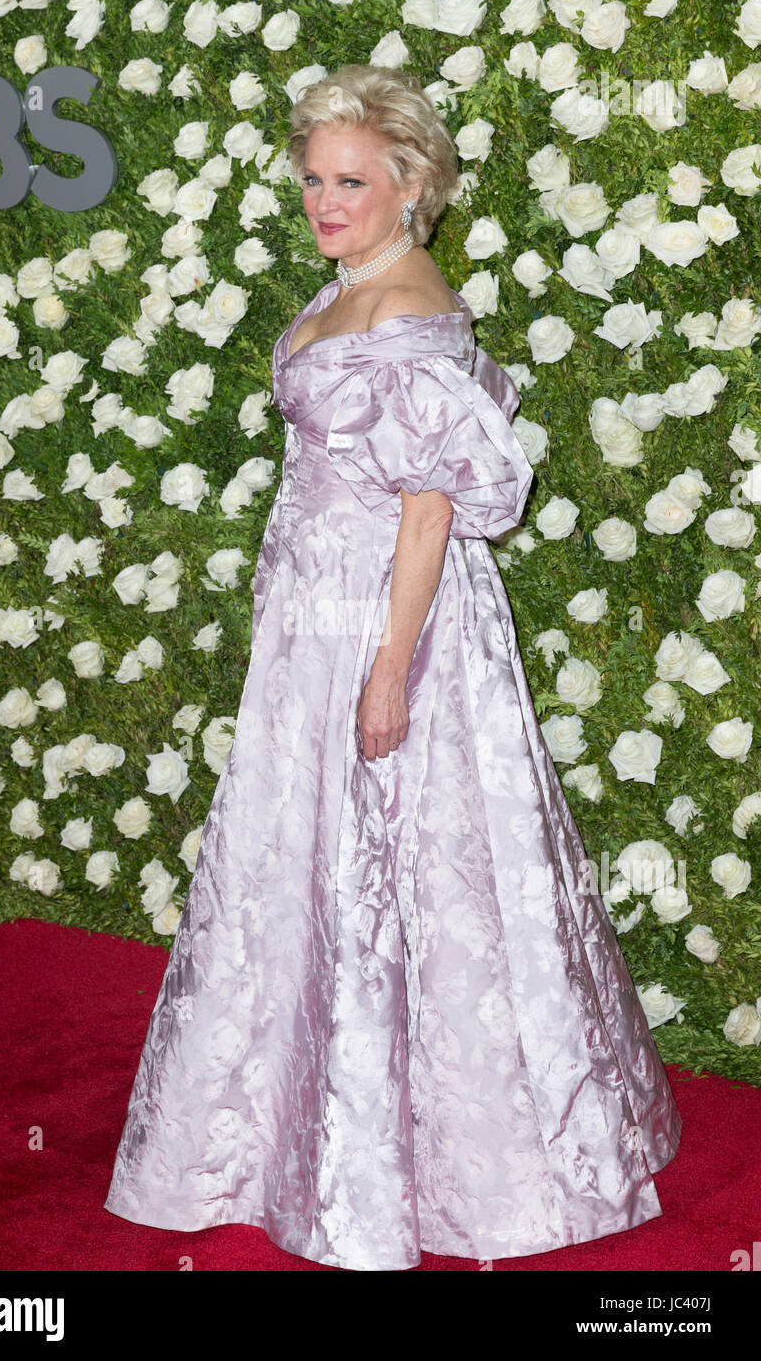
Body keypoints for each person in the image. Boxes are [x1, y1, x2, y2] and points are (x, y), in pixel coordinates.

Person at [103, 64, 681, 1272]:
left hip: (386, 625)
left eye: (349, 182)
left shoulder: (411, 315)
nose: (323, 201)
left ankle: (420, 1165)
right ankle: (281, 1129)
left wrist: (387, 672)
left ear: (410, 186)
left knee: (402, 866)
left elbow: (427, 514)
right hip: (314, 624)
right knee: (313, 863)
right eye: (312, 178)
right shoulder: (349, 288)